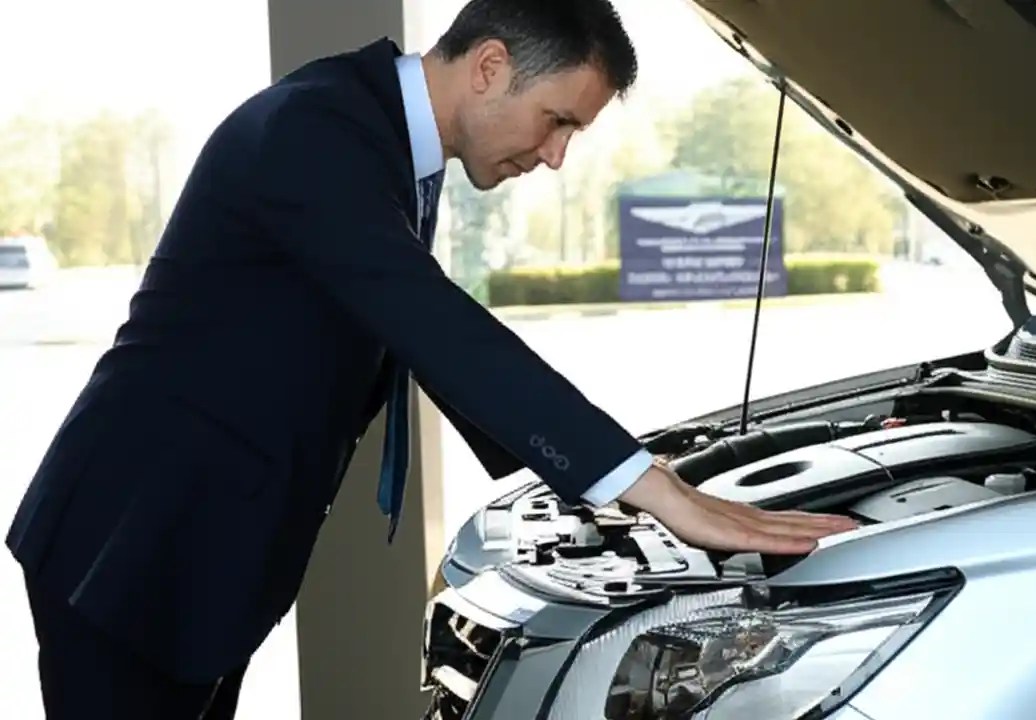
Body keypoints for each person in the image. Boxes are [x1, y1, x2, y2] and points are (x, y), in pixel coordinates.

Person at [5, 0, 857, 717]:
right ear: (489, 67)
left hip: (202, 553)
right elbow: (439, 326)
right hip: (134, 548)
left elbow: (416, 334)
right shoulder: (316, 132)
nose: (557, 155)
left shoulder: (384, 141)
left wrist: (607, 477)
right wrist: (641, 484)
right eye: (558, 120)